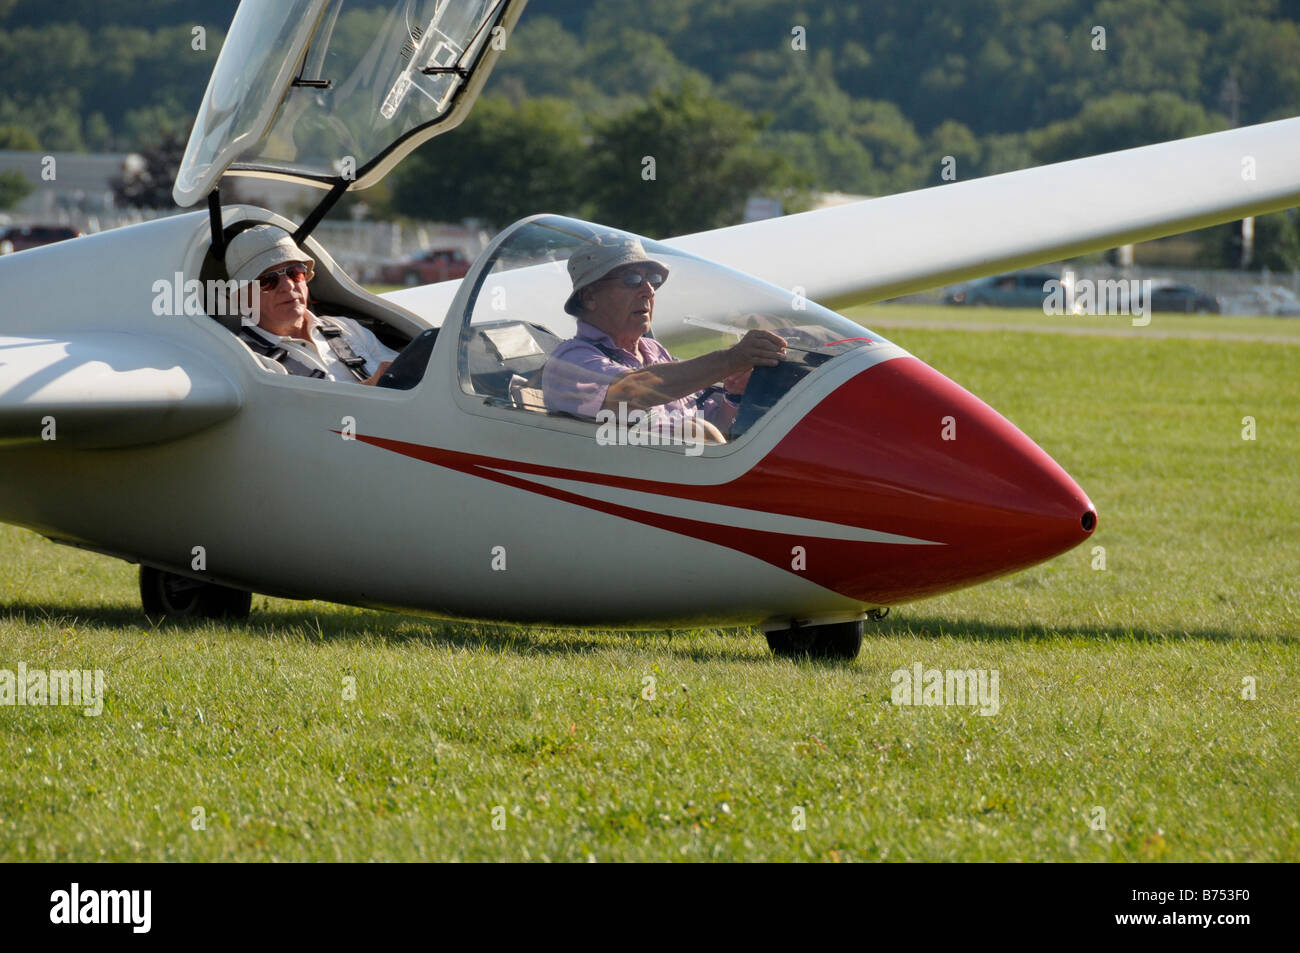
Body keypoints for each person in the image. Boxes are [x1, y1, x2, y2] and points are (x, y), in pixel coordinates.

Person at [541, 235, 786, 440]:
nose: (648, 290)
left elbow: (715, 429)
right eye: (632, 279)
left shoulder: (653, 350)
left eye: (653, 280)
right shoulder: (569, 361)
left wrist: (733, 395)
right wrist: (732, 359)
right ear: (589, 297)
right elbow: (633, 391)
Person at [224, 225, 397, 385]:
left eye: (294, 272)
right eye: (267, 280)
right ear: (241, 297)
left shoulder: (345, 327)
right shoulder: (250, 360)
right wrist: (374, 385)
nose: (288, 286)